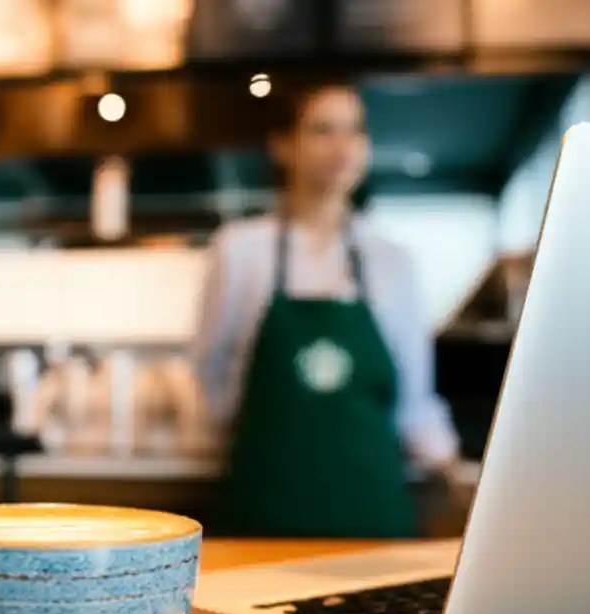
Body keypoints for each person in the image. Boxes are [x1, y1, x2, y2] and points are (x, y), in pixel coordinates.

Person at [192, 83, 461, 537]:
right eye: (323, 130)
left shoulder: (392, 260)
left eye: (354, 131)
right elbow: (211, 370)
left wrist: (451, 467)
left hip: (370, 514)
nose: (342, 147)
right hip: (265, 511)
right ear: (283, 147)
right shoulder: (239, 250)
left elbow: (413, 399)